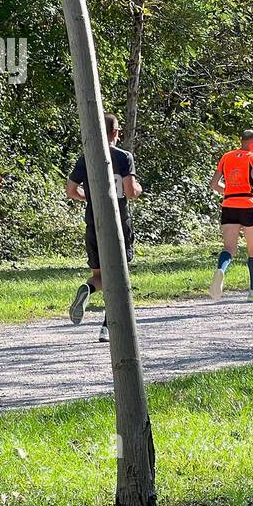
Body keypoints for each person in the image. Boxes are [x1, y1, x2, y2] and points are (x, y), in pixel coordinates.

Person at [67, 114, 143, 343]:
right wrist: (138, 188)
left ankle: (88, 290)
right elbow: (130, 191)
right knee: (119, 278)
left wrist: (90, 197)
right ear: (115, 132)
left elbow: (71, 190)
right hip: (119, 223)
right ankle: (106, 328)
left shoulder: (86, 158)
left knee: (100, 276)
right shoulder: (123, 157)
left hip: (94, 223)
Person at [208, 129, 253, 303]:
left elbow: (214, 184)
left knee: (229, 249)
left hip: (229, 206)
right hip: (249, 206)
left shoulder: (226, 157)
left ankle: (221, 271)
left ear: (242, 141)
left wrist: (230, 191)